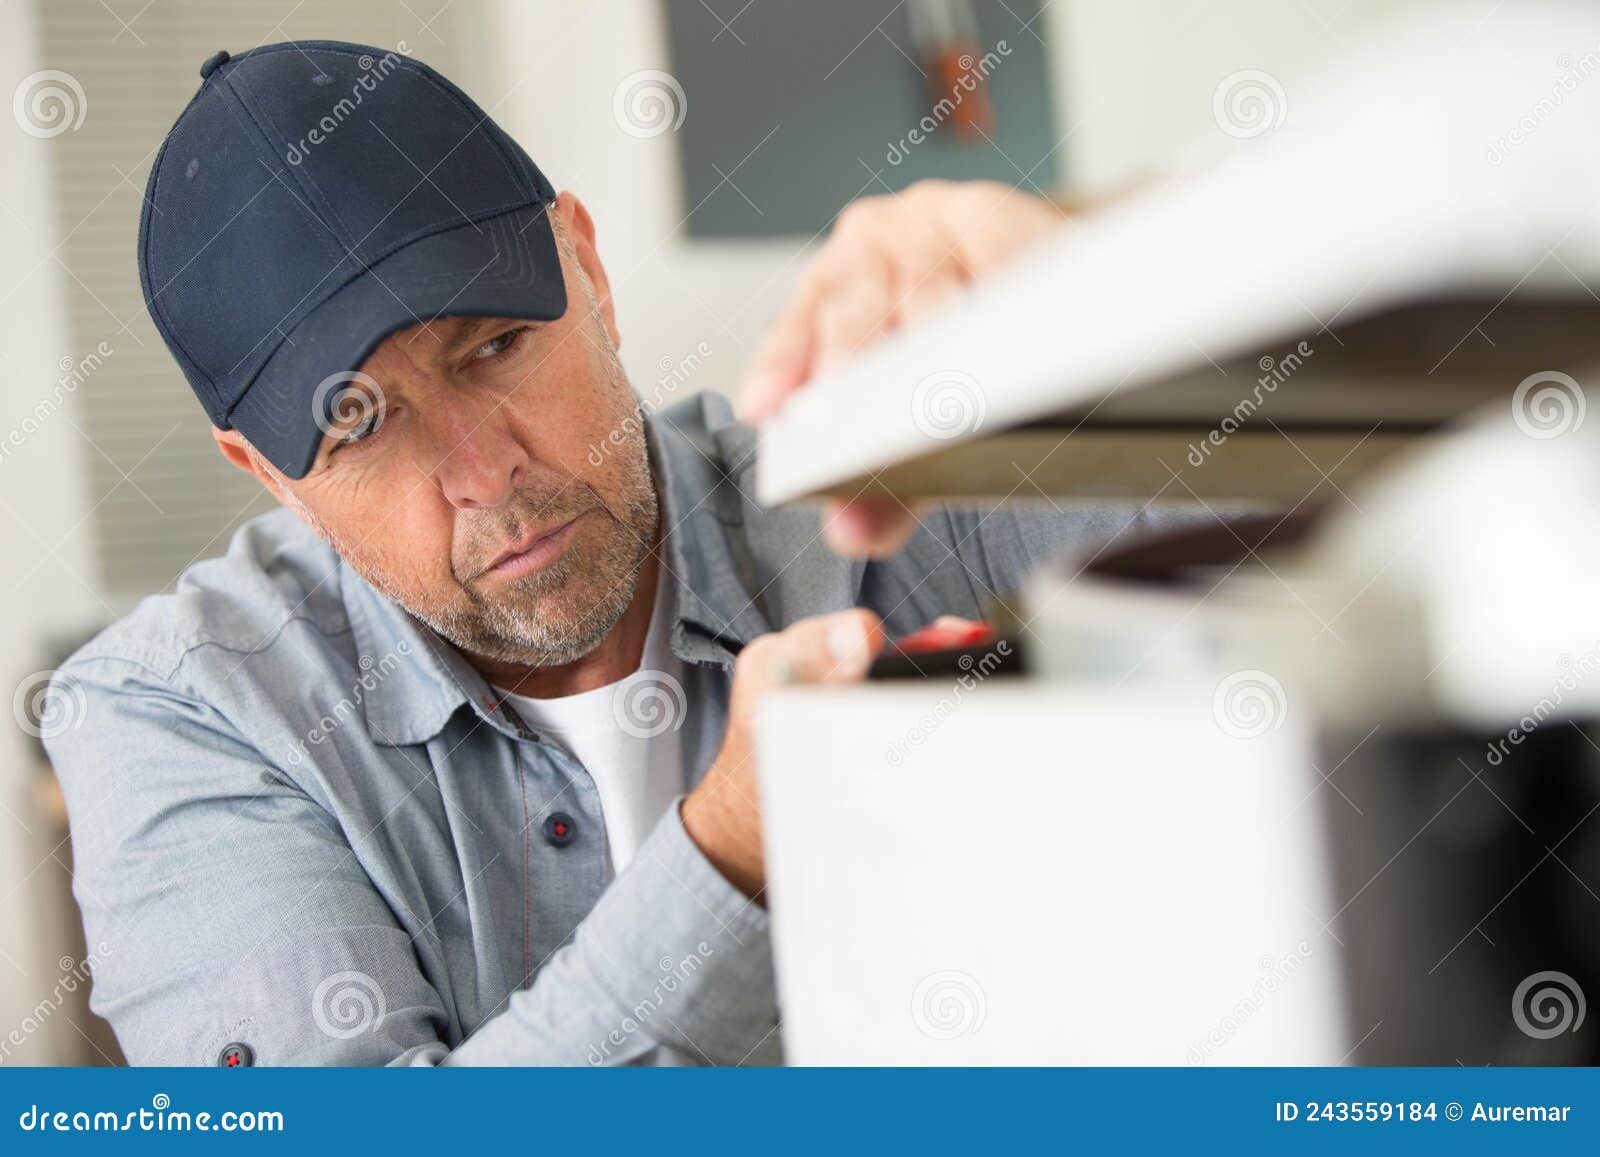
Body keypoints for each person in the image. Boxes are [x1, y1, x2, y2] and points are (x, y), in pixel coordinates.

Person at [45, 41, 1156, 1065]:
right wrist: (727, 852)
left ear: (587, 266)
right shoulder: (177, 709)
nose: (483, 469)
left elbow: (1296, 512)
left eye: (494, 343)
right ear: (268, 472)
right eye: (360, 423)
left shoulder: (881, 481)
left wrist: (1118, 289)